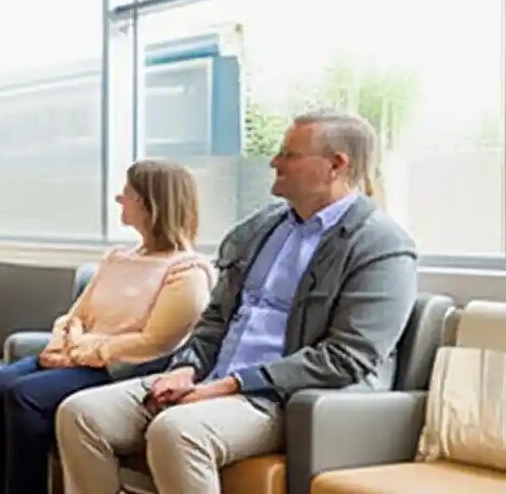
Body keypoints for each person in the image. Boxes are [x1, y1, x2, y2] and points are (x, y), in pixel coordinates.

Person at [55, 109, 419, 494]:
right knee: (80, 414)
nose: (274, 161)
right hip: (213, 377)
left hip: (280, 398)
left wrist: (231, 384)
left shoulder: (382, 245)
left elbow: (348, 356)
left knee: (177, 431)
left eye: (289, 154)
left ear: (336, 165)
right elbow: (215, 319)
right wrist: (187, 368)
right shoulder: (260, 228)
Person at [0, 160, 213, 494]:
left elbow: (156, 342)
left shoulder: (188, 270)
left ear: (151, 203)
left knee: (23, 397)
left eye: (127, 193)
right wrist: (61, 346)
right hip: (78, 355)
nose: (119, 199)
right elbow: (74, 316)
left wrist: (81, 351)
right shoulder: (117, 258)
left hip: (124, 367)